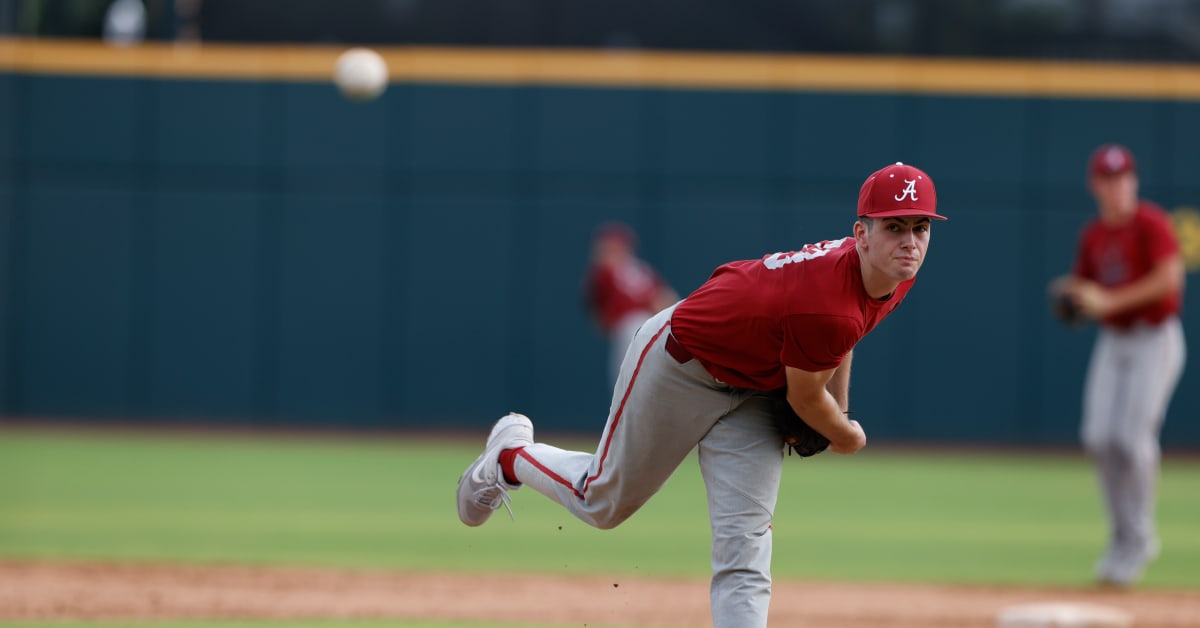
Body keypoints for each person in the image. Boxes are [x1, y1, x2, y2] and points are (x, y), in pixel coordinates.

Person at [457, 162, 945, 627]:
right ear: (861, 235)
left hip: (754, 388)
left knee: (745, 546)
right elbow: (806, 395)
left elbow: (846, 336)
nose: (909, 242)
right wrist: (845, 433)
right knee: (602, 502)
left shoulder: (890, 276)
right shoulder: (830, 304)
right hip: (681, 363)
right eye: (894, 227)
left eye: (919, 227)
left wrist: (838, 409)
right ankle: (509, 456)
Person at [1049, 143, 1186, 587]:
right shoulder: (1093, 234)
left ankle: (1140, 538)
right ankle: (1122, 538)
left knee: (1132, 437)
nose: (1117, 185)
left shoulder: (1152, 223)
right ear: (1096, 185)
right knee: (1100, 438)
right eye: (1108, 178)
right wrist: (1074, 293)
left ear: (1134, 180)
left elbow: (1169, 280)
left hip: (1155, 338)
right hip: (1115, 339)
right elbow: (1086, 287)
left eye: (1123, 176)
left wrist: (1108, 300)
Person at [582, 222, 678, 389]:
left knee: (625, 382)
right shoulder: (641, 268)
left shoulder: (606, 271)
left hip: (630, 327)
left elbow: (593, 305)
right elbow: (665, 298)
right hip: (655, 324)